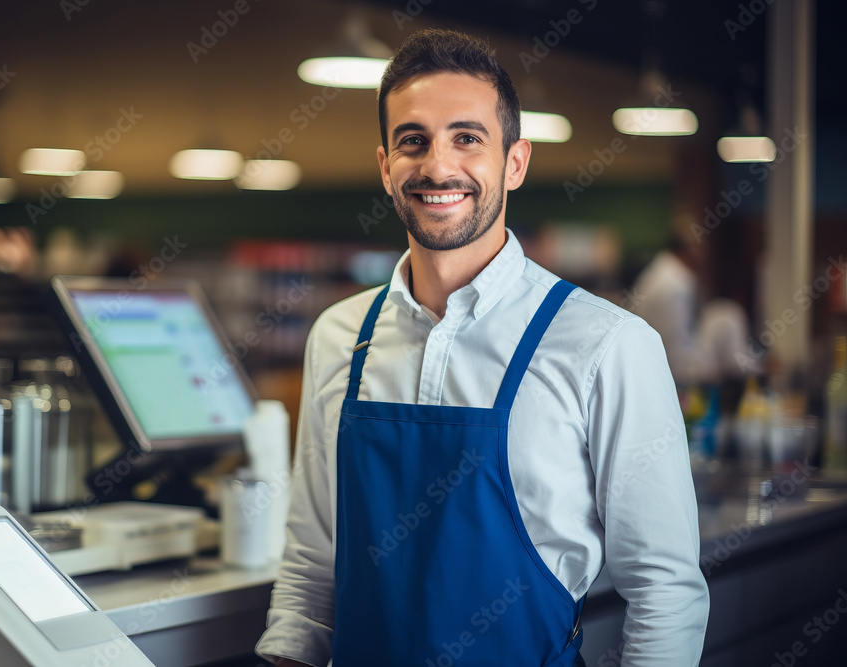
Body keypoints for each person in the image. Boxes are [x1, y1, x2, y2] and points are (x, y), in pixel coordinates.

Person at [255, 29, 708, 666]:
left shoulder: (607, 344)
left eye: (467, 138)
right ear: (386, 167)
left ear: (514, 162)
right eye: (413, 141)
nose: (438, 167)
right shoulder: (338, 338)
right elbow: (309, 575)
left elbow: (664, 590)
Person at [630, 231, 760, 385]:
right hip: (668, 369)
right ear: (689, 249)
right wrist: (705, 375)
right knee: (728, 316)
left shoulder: (659, 272)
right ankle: (752, 372)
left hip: (650, 361)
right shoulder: (676, 283)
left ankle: (751, 369)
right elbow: (677, 348)